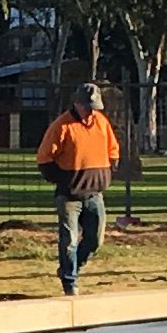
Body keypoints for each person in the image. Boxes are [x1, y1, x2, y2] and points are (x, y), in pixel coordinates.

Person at [36, 81, 121, 291]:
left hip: (95, 194)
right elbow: (44, 158)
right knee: (69, 241)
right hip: (69, 196)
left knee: (95, 241)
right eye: (87, 108)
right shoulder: (61, 126)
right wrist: (62, 180)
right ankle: (69, 281)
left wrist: (109, 170)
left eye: (94, 108)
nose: (91, 113)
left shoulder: (102, 122)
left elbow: (113, 149)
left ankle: (74, 266)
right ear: (77, 103)